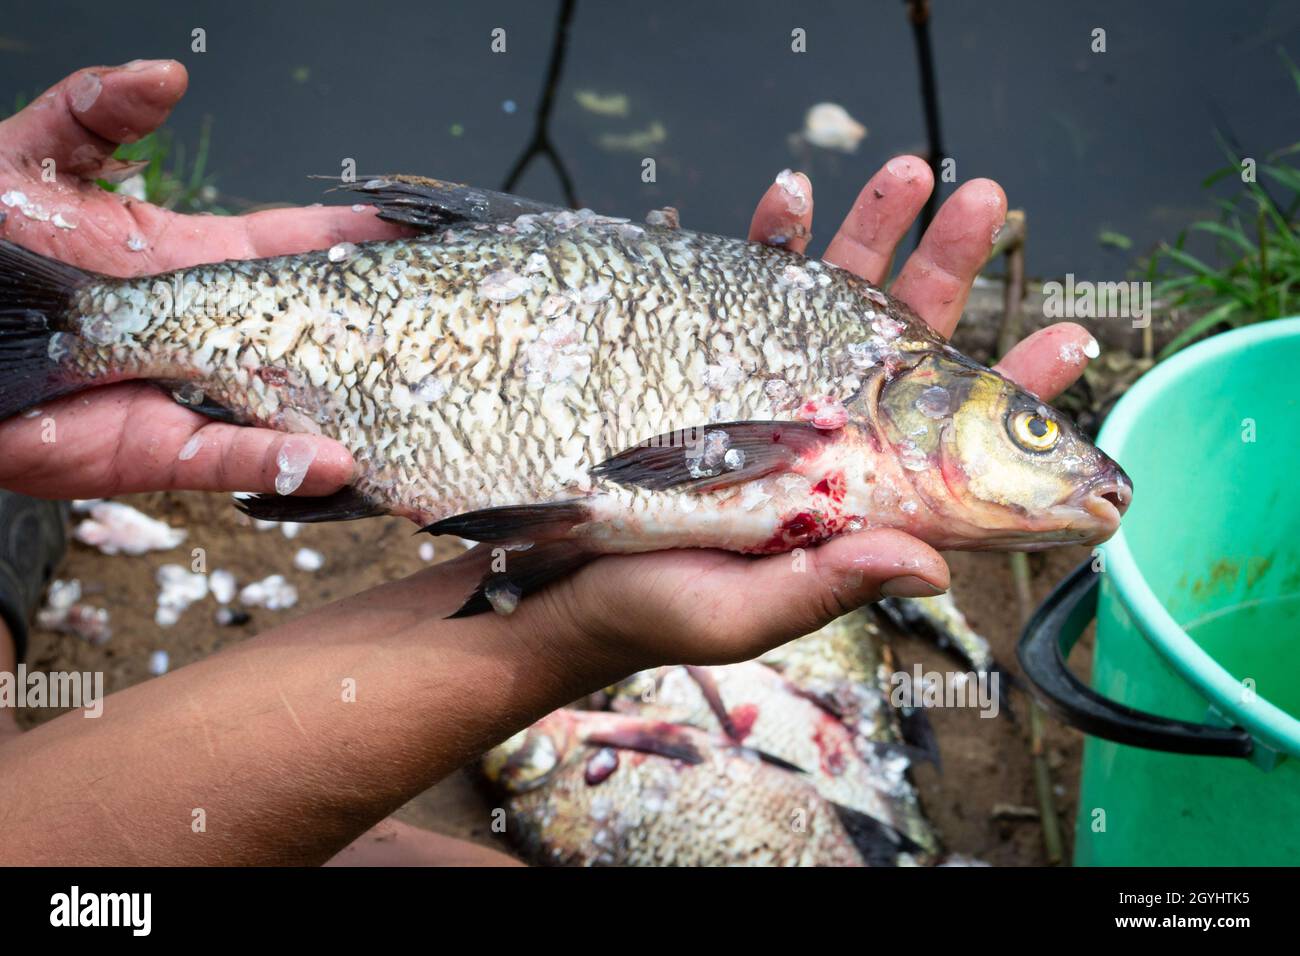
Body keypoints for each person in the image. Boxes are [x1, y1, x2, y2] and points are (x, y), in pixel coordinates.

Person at [0, 60, 1094, 865]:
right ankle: (74, 329)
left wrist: (580, 613)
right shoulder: (852, 386)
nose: (1059, 463)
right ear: (912, 396)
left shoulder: (855, 380)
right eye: (1030, 430)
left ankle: (74, 331)